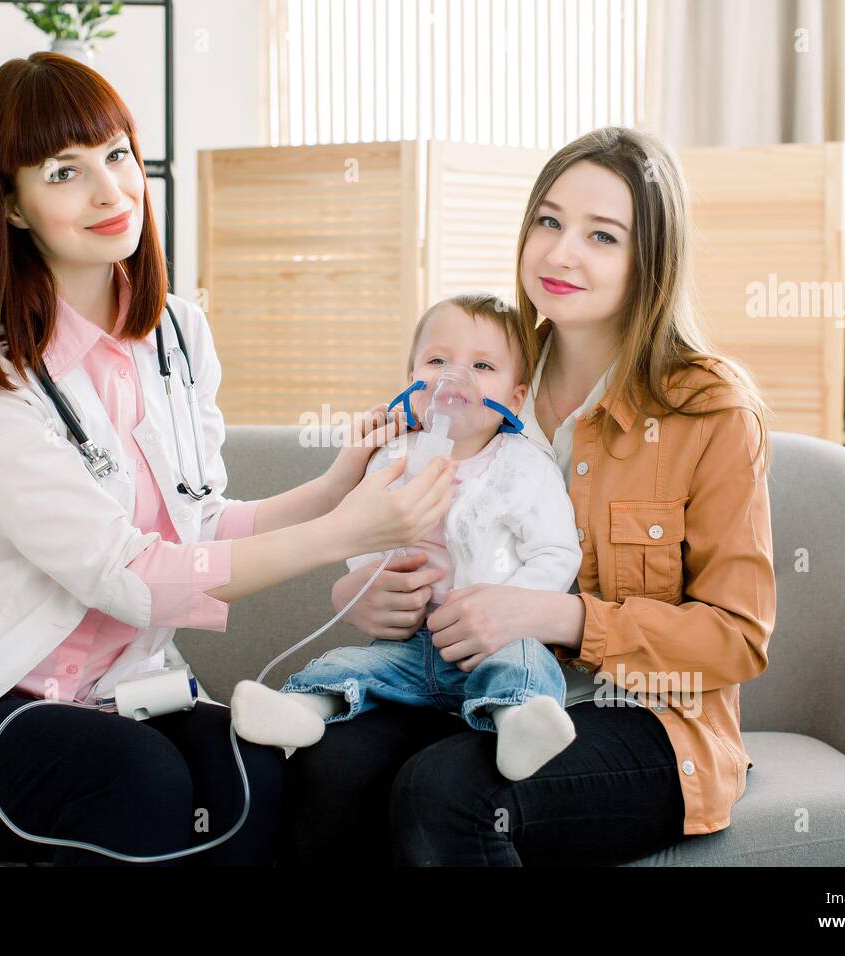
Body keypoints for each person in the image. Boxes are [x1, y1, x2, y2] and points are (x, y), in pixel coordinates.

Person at [0, 52, 457, 867]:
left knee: (254, 780)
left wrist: (331, 489)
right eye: (64, 172)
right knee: (143, 787)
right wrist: (343, 531)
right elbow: (133, 574)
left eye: (117, 155)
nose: (111, 191)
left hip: (126, 691)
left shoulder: (178, 333)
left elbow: (197, 524)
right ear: (12, 205)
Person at [280, 126, 777, 867]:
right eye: (548, 221)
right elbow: (396, 528)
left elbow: (737, 637)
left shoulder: (710, 409)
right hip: (464, 685)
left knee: (447, 792)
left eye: (602, 236)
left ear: (652, 260)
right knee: (326, 767)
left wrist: (557, 615)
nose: (560, 252)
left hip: (646, 717)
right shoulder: (484, 372)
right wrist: (364, 591)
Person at [231, 293, 581, 782]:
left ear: (516, 399)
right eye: (437, 361)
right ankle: (303, 708)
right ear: (411, 380)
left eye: (481, 365)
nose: (453, 379)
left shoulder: (525, 468)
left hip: (494, 641)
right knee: (351, 664)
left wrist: (511, 608)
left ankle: (518, 722)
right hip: (409, 645)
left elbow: (556, 551)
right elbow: (361, 540)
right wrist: (368, 584)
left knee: (525, 664)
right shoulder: (392, 458)